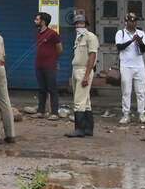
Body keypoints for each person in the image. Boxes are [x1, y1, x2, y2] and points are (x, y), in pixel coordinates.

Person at [66, 9, 100, 139]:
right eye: (76, 24)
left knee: (78, 101)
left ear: (86, 24)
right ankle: (88, 129)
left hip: (84, 70)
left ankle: (79, 129)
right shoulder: (78, 38)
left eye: (80, 23)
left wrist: (86, 75)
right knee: (85, 102)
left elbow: (92, 56)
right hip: (76, 69)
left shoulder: (90, 37)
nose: (78, 26)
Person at [116, 11, 145, 125]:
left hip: (139, 66)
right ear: (126, 22)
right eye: (130, 21)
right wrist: (131, 40)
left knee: (141, 91)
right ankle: (126, 115)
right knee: (126, 91)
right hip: (126, 66)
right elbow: (119, 47)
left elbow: (144, 50)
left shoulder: (141, 33)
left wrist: (139, 41)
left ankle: (141, 114)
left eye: (135, 21)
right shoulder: (121, 33)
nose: (133, 23)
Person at [32, 12, 62, 118]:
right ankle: (41, 111)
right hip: (39, 65)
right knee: (41, 89)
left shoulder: (53, 34)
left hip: (49, 66)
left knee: (52, 89)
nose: (35, 21)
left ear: (43, 22)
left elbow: (60, 49)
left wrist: (54, 60)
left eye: (37, 19)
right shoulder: (38, 33)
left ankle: (54, 113)